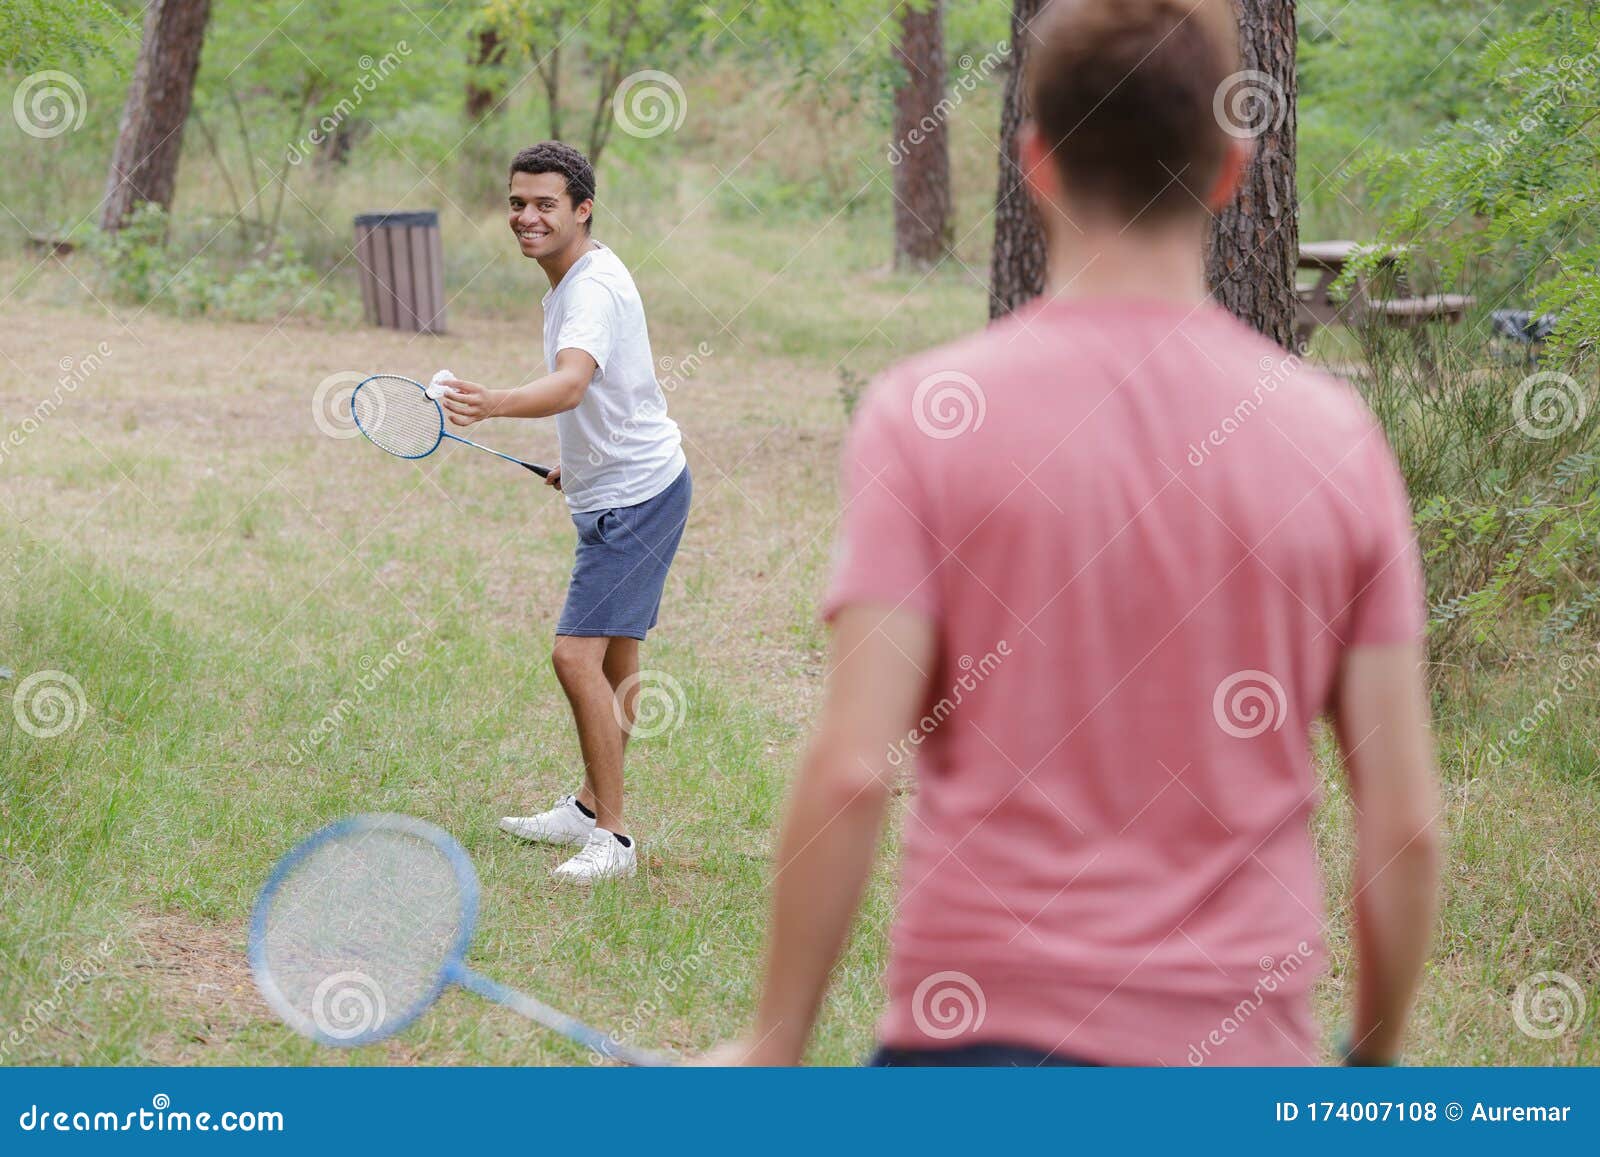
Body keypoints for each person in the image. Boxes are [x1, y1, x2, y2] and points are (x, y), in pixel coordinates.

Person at [706, 0, 1440, 1065]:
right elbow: (1405, 824)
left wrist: (773, 1042)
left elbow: (853, 770)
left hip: (977, 1045)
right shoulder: (1335, 439)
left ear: (1034, 162)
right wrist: (1368, 1063)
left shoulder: (924, 414)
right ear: (1232, 169)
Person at [443, 141, 691, 884]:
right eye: (518, 202)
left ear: (583, 208)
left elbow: (574, 382)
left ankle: (612, 837)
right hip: (628, 483)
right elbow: (613, 390)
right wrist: (574, 460)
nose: (527, 217)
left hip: (636, 499)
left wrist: (493, 404)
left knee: (573, 655)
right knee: (616, 662)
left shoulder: (589, 290)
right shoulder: (577, 277)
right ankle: (589, 807)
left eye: (546, 204)